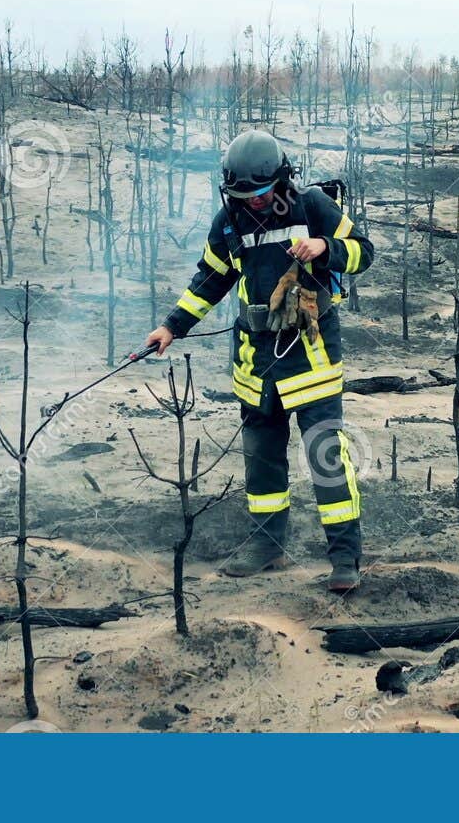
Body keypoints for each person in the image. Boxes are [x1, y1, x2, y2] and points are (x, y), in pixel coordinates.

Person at [145, 130, 374, 594]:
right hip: (256, 361)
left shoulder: (313, 206)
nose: (253, 201)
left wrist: (325, 248)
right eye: (243, 194)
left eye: (262, 192)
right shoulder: (228, 223)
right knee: (261, 457)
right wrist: (172, 326)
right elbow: (211, 279)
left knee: (326, 455)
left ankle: (344, 557)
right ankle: (267, 545)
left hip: (310, 356)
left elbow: (363, 253)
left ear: (283, 180)